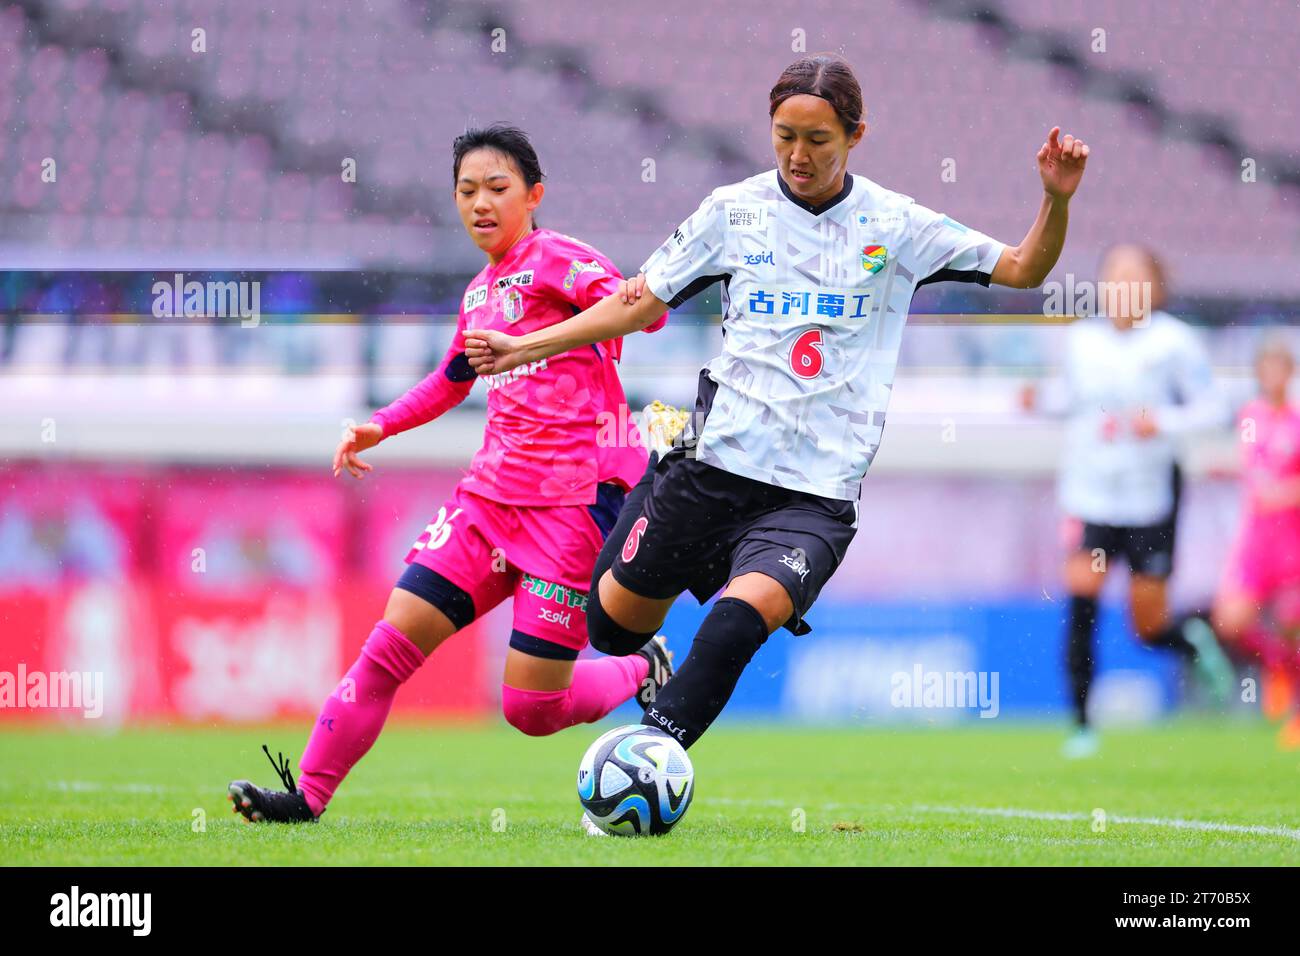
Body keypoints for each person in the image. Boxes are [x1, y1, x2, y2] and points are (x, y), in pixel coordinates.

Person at [467, 54, 1089, 759]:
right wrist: (527, 347)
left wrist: (1056, 199)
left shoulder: (897, 225)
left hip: (812, 497)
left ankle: (645, 763)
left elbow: (1023, 268)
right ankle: (645, 643)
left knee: (739, 620)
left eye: (817, 140)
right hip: (713, 468)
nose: (798, 155)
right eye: (784, 135)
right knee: (610, 629)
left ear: (856, 135)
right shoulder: (734, 212)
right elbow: (636, 302)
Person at [227, 124, 673, 823]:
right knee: (388, 646)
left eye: (497, 188)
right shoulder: (479, 294)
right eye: (466, 191)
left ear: (535, 195)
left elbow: (637, 312)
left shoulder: (560, 258)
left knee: (529, 709)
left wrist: (604, 308)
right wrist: (381, 424)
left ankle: (644, 666)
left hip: (573, 506)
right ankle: (306, 796)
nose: (480, 204)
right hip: (487, 503)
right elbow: (449, 380)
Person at [1022, 243, 1235, 758]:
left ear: (1156, 288)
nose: (1123, 286)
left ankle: (1195, 640)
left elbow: (1215, 409)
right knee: (1082, 600)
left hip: (1149, 498)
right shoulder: (1081, 342)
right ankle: (1081, 725)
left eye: (1135, 276)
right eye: (1114, 275)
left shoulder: (1175, 343)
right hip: (1089, 493)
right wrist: (1037, 401)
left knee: (1148, 625)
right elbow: (1071, 401)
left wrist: (1161, 421)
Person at [1210, 336, 1300, 748]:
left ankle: (1295, 710)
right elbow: (1252, 471)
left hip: (1292, 535)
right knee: (1229, 619)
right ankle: (1276, 667)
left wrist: (1286, 492)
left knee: (1292, 621)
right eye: (1268, 368)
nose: (1274, 376)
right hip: (1258, 537)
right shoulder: (1251, 416)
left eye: (1281, 367)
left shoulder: (1297, 420)